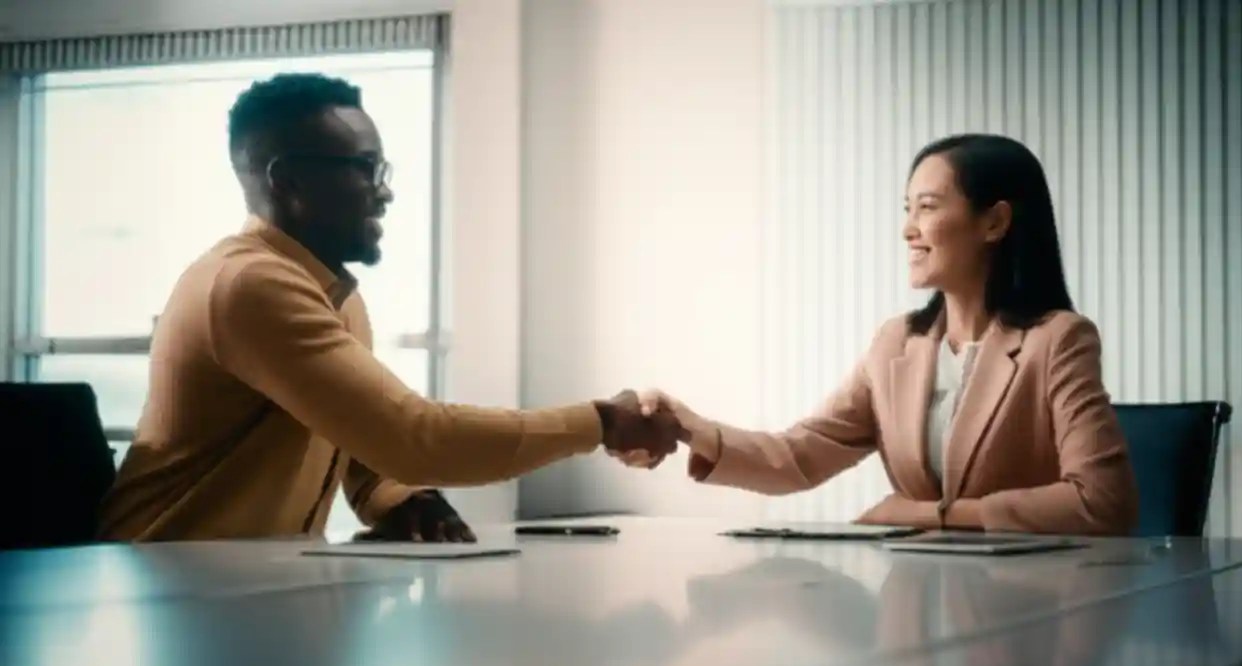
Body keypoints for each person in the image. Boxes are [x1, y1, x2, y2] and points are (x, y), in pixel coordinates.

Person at [98, 73, 679, 542]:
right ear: (288, 181)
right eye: (365, 168)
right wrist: (601, 421)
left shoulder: (327, 293)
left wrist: (401, 499)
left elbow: (357, 445)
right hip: (157, 581)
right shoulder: (248, 285)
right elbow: (412, 436)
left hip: (245, 584)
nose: (386, 190)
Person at [623, 134, 1138, 535]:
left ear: (995, 222)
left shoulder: (1059, 340)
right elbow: (799, 457)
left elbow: (1103, 502)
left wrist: (932, 515)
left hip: (1035, 617)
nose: (908, 228)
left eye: (929, 207)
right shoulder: (896, 345)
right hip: (918, 606)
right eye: (907, 209)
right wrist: (693, 428)